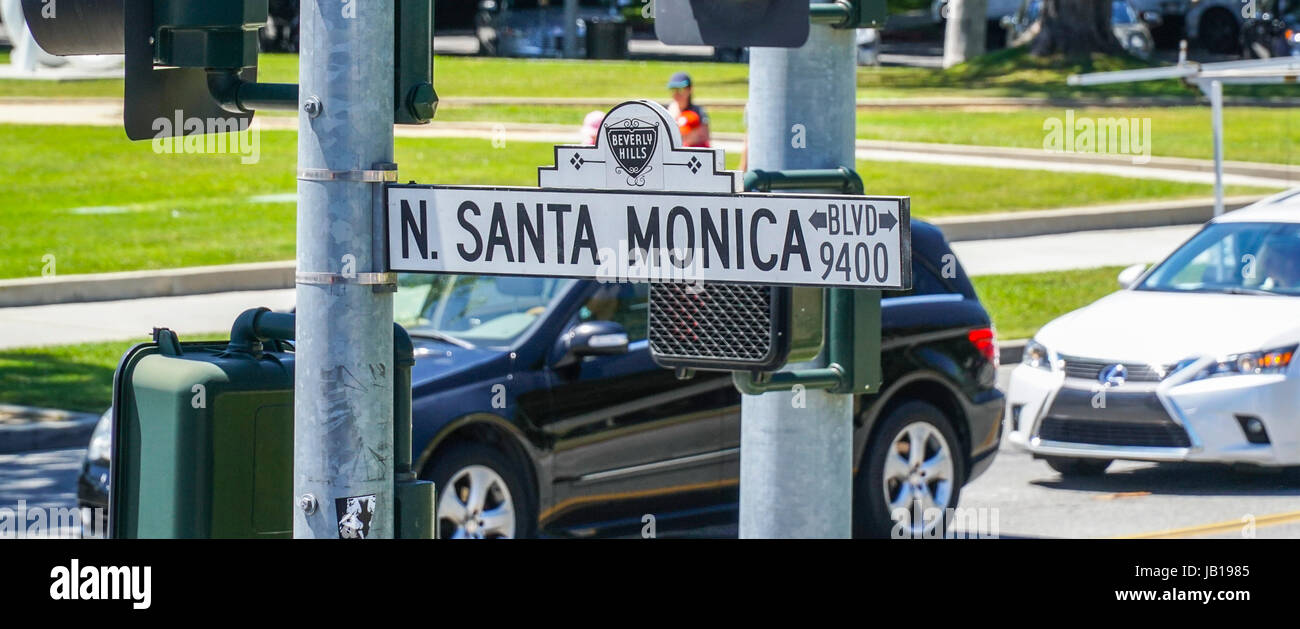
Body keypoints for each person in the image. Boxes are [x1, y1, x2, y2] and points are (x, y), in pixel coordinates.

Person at [666, 72, 711, 148]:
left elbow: (704, 137)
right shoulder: (667, 112)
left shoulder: (698, 112)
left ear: (690, 90)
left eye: (680, 89)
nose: (676, 93)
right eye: (673, 89)